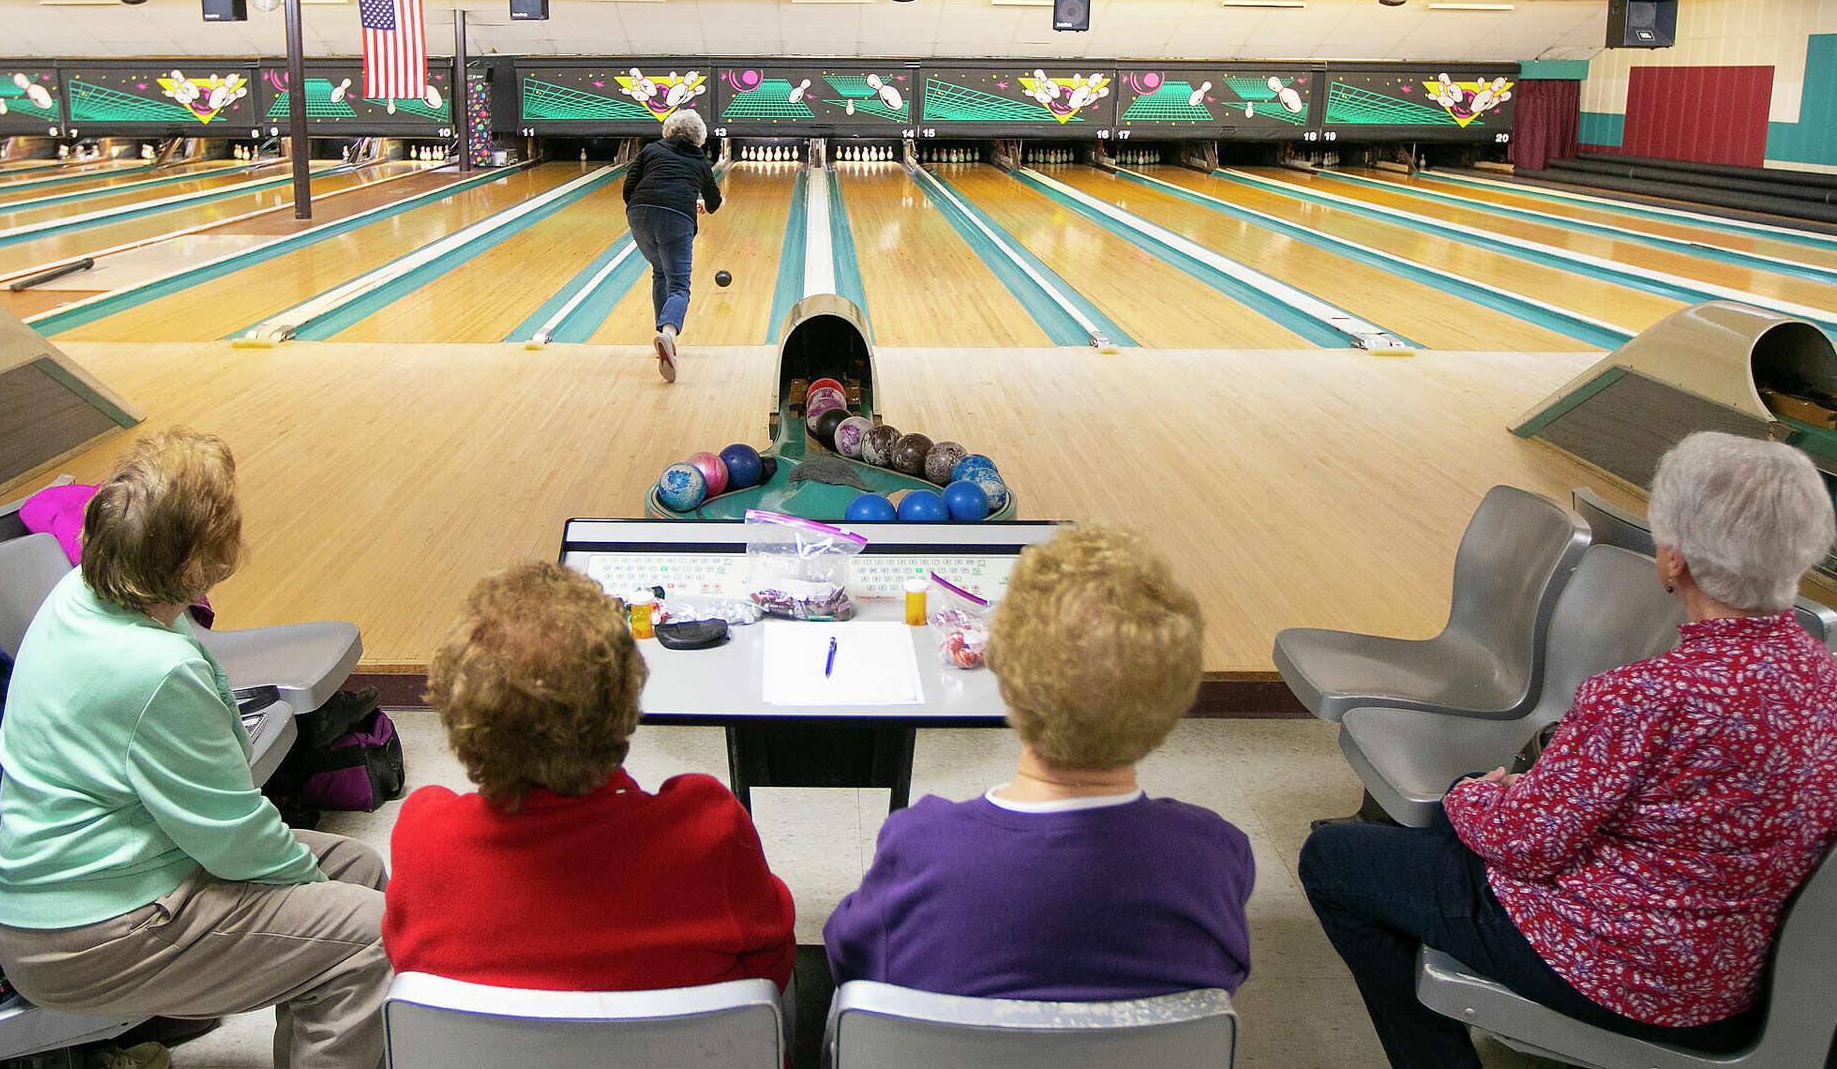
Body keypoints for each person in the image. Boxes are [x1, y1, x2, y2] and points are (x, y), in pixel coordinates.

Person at [1300, 431, 1837, 1069]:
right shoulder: (1824, 678)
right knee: (1456, 829)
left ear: (1674, 561)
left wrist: (1473, 794)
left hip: (1623, 976)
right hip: (1734, 978)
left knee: (1336, 858)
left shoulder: (1645, 695)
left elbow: (1526, 842)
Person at [0, 431, 390, 1069]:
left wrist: (317, 896)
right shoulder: (156, 669)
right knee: (374, 938)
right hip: (90, 932)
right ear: (198, 559)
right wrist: (315, 896)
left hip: (91, 887)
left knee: (360, 872)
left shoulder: (84, 593)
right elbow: (231, 834)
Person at [824, 522, 1252, 1001]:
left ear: (1004, 672)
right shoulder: (1216, 853)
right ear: (1177, 699)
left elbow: (850, 962)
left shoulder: (922, 844)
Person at [383, 562, 795, 993]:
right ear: (625, 700)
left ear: (458, 717)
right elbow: (773, 964)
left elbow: (404, 961)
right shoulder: (708, 829)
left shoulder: (423, 837)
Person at [623, 108, 722, 383]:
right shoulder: (700, 160)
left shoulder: (652, 149)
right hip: (676, 218)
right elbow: (713, 203)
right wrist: (694, 202)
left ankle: (661, 340)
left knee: (659, 271)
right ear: (699, 137)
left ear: (669, 129)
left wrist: (644, 207)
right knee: (679, 285)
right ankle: (667, 334)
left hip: (638, 213)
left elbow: (627, 188)